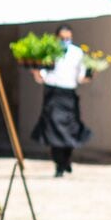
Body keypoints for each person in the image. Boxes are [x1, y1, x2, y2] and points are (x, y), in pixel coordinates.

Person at [28, 27, 92, 177]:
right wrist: (35, 71)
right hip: (53, 94)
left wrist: (92, 72)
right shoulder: (49, 53)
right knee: (53, 130)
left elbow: (81, 77)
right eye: (62, 38)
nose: (65, 41)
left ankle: (66, 160)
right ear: (56, 38)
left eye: (68, 38)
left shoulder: (77, 53)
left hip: (69, 95)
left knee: (70, 130)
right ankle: (59, 164)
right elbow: (42, 76)